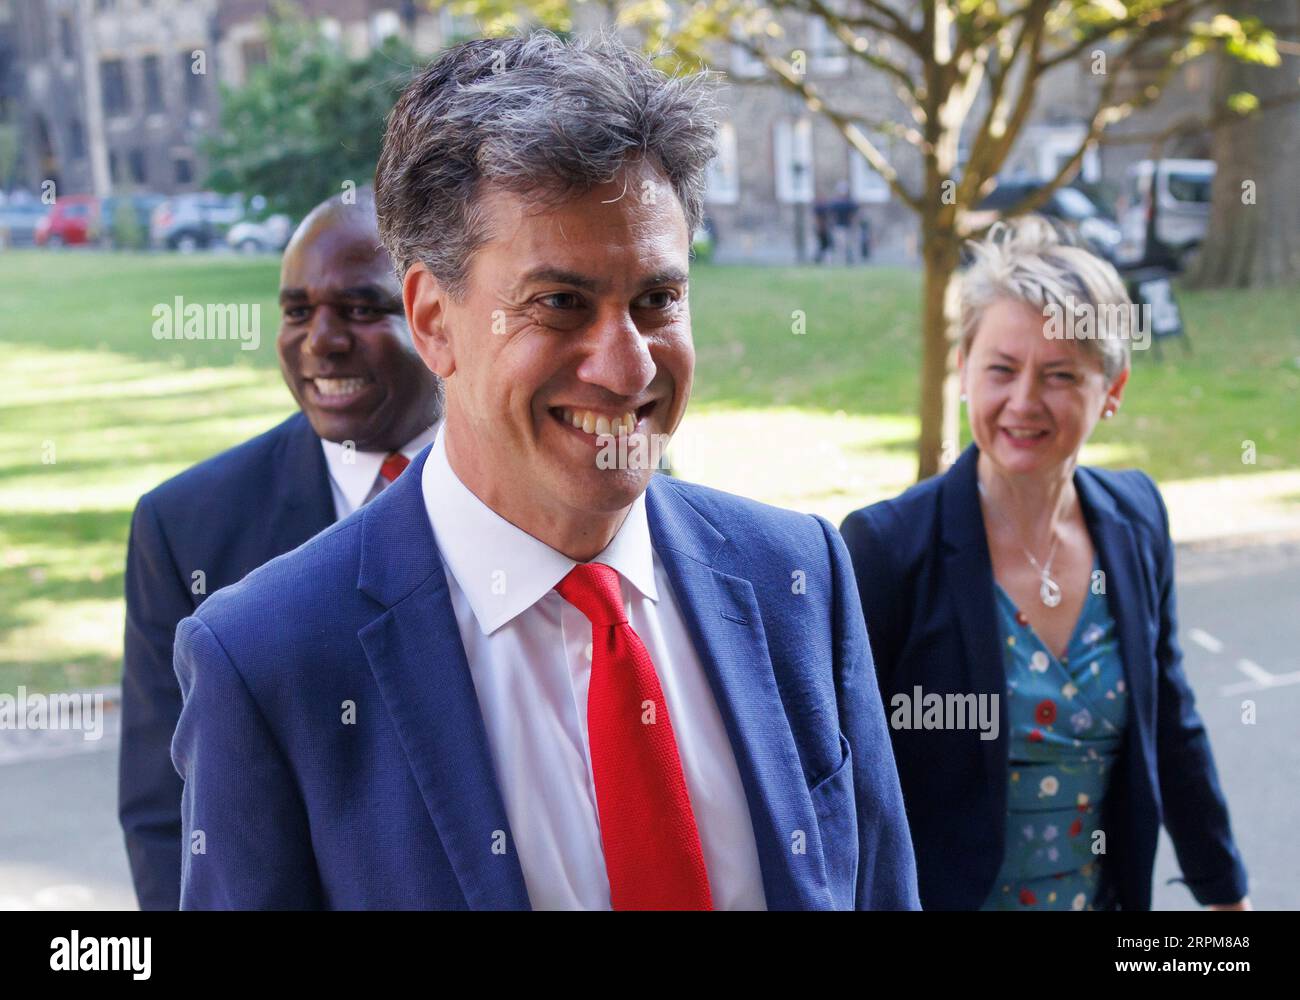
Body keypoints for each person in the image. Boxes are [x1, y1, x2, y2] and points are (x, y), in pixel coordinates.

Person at [169, 29, 919, 911]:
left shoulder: (799, 577)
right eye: (560, 303)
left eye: (657, 300)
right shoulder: (270, 662)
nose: (629, 365)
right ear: (433, 320)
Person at [840, 217, 1250, 911]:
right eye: (1001, 368)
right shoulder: (885, 549)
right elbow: (843, 783)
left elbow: (1172, 722)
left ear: (1112, 391)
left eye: (1060, 375)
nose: (1023, 402)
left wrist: (1225, 896)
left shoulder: (1137, 516)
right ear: (965, 367)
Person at [118, 189, 443, 910]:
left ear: (437, 318)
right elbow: (166, 816)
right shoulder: (186, 528)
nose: (320, 341)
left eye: (361, 309)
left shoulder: (549, 486)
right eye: (297, 311)